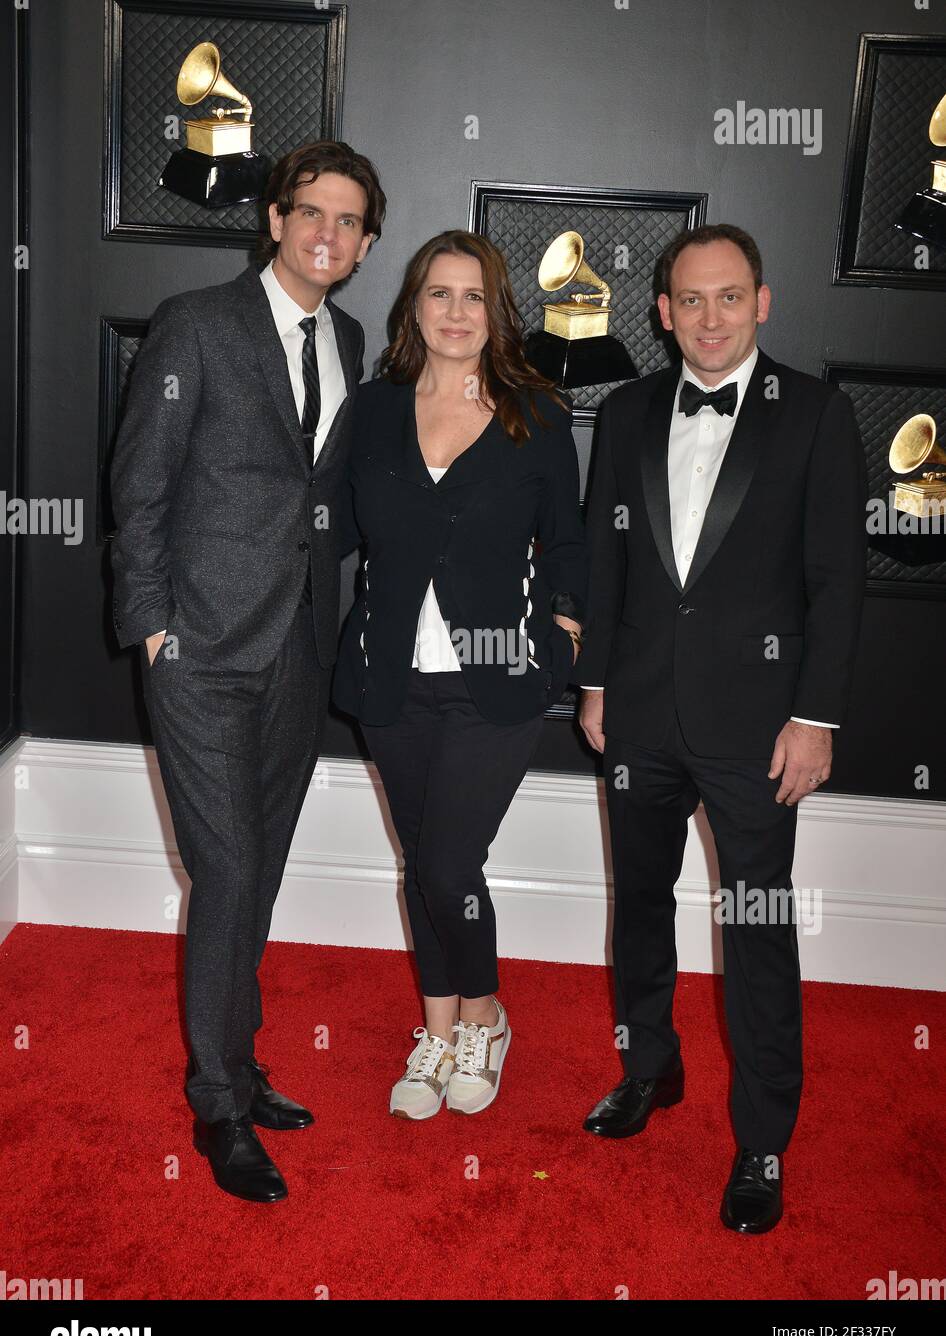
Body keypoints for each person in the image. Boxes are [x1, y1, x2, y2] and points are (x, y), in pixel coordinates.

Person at [109, 141, 386, 1202]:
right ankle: (218, 1103)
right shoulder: (196, 323)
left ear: (363, 245)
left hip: (297, 649)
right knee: (226, 872)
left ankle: (243, 1057)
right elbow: (140, 484)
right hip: (202, 650)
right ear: (273, 219)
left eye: (348, 220)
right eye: (309, 211)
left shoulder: (348, 336)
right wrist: (152, 630)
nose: (326, 231)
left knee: (258, 867)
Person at [576, 224, 866, 1233]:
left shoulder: (819, 416)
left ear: (762, 302)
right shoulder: (623, 411)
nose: (708, 319)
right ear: (660, 311)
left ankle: (762, 1142)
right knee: (640, 906)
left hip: (760, 726)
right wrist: (596, 685)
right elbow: (603, 566)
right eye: (689, 301)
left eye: (728, 298)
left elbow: (837, 582)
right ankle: (648, 1068)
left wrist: (814, 716)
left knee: (753, 927)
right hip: (641, 712)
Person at [333, 230, 587, 1120]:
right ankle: (437, 1034)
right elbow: (327, 524)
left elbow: (570, 544)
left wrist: (560, 632)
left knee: (449, 861)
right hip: (390, 676)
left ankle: (485, 1016)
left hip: (499, 683)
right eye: (438, 294)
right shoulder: (370, 411)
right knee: (421, 863)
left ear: (498, 310)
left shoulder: (537, 413)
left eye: (473, 296)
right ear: (413, 306)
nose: (454, 312)